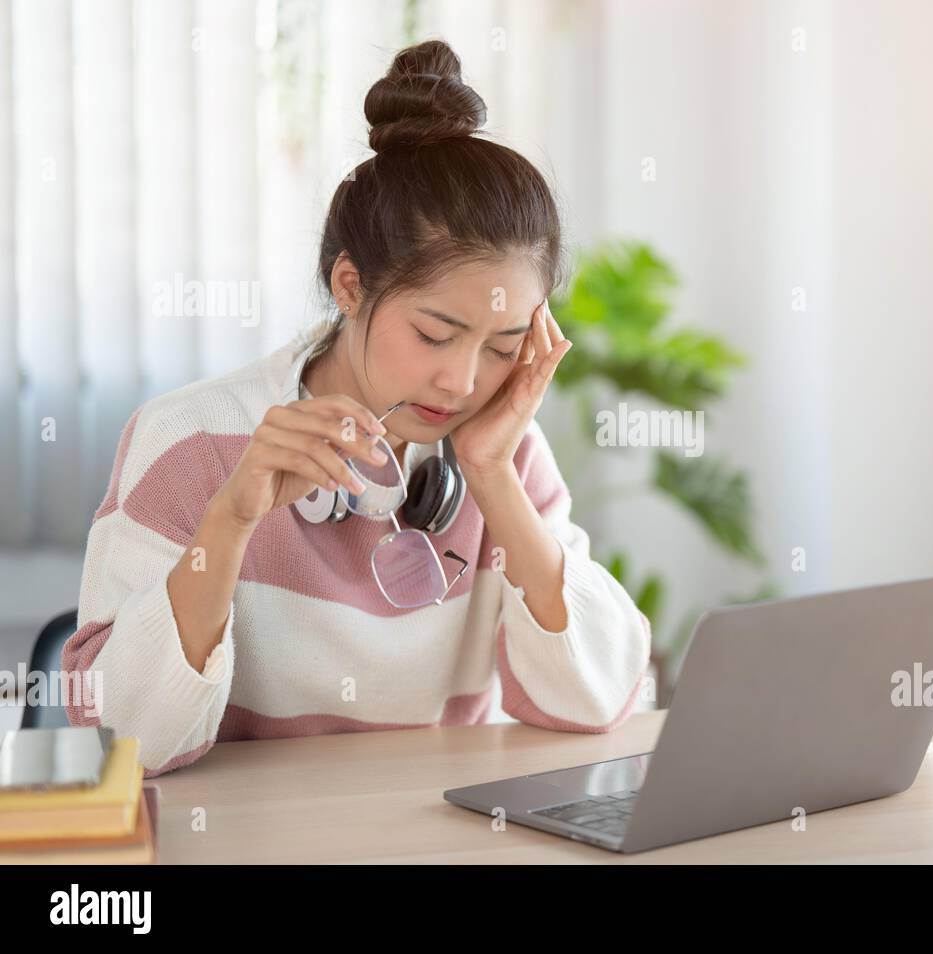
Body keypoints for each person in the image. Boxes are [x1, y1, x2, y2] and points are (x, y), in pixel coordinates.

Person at [62, 38, 652, 778]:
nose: (461, 383)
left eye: (503, 346)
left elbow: (596, 701)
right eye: (435, 334)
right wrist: (231, 521)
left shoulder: (503, 451)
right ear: (350, 286)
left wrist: (493, 477)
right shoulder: (191, 440)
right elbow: (124, 739)